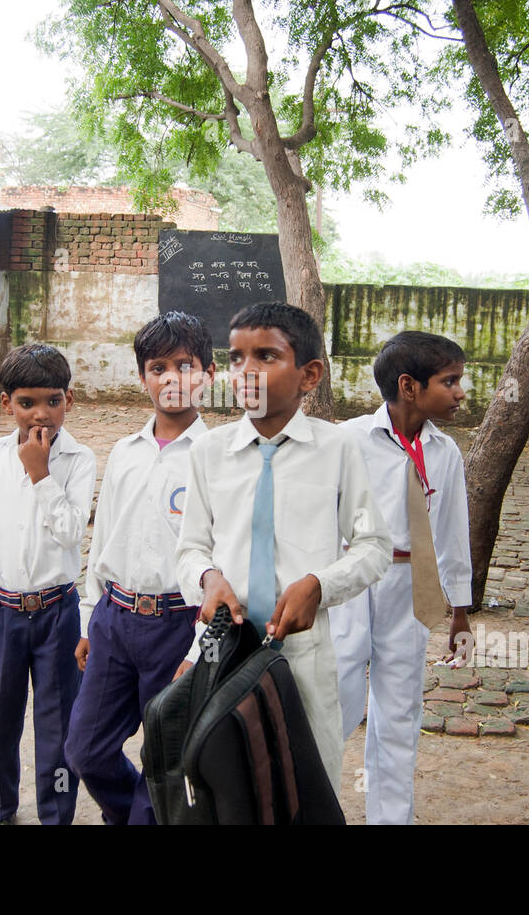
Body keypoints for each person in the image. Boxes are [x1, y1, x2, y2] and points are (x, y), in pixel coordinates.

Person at [175, 301, 392, 794]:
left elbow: (374, 545)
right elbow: (190, 549)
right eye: (235, 357)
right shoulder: (210, 452)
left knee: (305, 787)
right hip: (223, 646)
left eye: (266, 356)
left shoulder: (337, 450)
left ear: (309, 374)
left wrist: (320, 584)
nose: (246, 371)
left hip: (302, 652)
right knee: (226, 788)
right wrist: (208, 580)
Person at [64, 312, 215, 825]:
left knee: (166, 759)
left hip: (180, 623)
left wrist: (199, 650)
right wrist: (89, 619)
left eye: (184, 365)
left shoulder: (217, 458)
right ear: (142, 376)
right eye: (157, 367)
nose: (170, 378)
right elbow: (103, 537)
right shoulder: (125, 453)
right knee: (85, 748)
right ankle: (129, 815)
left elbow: (224, 561)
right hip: (115, 619)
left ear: (207, 375)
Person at [0, 343, 97, 825]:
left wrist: (40, 473)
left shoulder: (79, 459)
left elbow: (73, 531)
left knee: (57, 727)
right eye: (26, 402)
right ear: (5, 404)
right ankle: (1, 811)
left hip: (57, 612)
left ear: (69, 400)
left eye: (53, 400)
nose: (41, 414)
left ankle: (55, 816)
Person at [331, 331, 472, 825]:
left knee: (399, 712)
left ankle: (391, 819)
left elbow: (452, 533)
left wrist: (459, 611)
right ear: (409, 386)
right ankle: (311, 809)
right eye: (450, 381)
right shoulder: (347, 440)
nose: (460, 392)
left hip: (411, 587)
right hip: (348, 584)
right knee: (335, 704)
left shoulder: (445, 452)